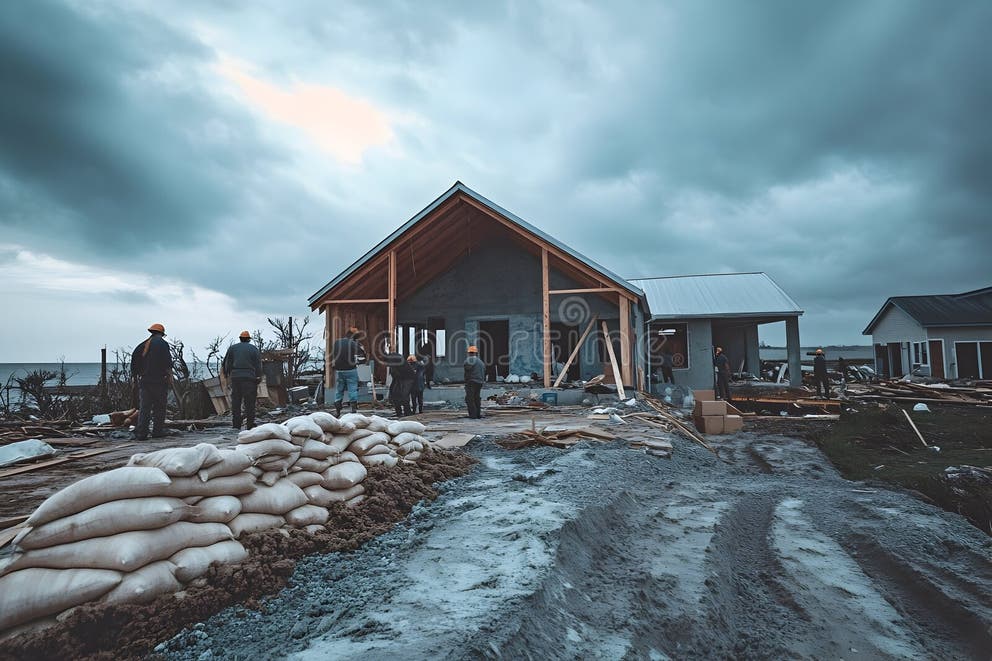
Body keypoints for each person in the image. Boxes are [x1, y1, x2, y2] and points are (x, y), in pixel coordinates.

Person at [131, 323, 172, 441]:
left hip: (144, 381)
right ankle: (157, 431)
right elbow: (167, 363)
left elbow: (134, 364)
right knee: (160, 407)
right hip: (159, 381)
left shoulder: (142, 345)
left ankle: (142, 433)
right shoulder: (163, 344)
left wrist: (135, 379)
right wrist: (170, 377)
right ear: (162, 334)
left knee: (145, 408)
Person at [223, 330, 262, 430]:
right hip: (249, 378)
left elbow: (227, 362)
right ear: (248, 339)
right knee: (250, 403)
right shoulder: (253, 349)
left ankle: (236, 425)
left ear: (240, 339)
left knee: (236, 402)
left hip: (236, 378)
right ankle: (250, 425)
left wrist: (227, 374)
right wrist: (258, 376)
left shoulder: (232, 348)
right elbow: (258, 364)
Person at [332, 326, 364, 416]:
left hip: (339, 370)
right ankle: (353, 409)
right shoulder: (353, 343)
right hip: (350, 369)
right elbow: (362, 356)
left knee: (339, 389)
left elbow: (333, 354)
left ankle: (337, 410)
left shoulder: (337, 342)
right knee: (352, 388)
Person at [463, 345, 485, 419]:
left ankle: (473, 415)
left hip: (471, 382)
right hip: (479, 382)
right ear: (476, 353)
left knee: (470, 399)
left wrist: (466, 381)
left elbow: (467, 371)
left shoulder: (469, 360)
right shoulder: (480, 362)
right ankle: (478, 414)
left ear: (469, 353)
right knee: (476, 398)